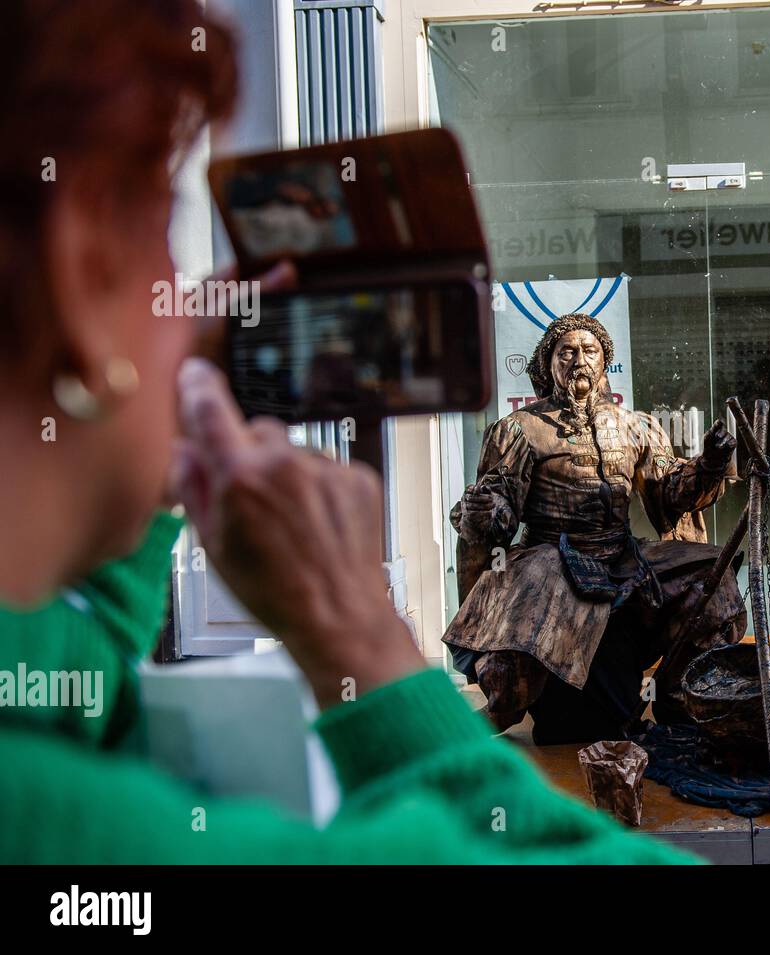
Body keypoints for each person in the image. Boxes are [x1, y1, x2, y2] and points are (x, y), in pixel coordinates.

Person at [0, 0, 691, 864]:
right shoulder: (90, 836)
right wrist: (357, 633)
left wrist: (113, 437)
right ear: (85, 259)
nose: (182, 297)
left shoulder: (31, 725)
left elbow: (56, 689)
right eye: (161, 249)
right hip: (557, 573)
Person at [444, 313, 746, 744]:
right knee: (537, 586)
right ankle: (505, 704)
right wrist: (482, 510)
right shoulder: (520, 429)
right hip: (549, 555)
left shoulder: (635, 426)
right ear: (548, 364)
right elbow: (500, 505)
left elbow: (671, 492)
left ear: (605, 363)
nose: (578, 360)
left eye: (589, 351)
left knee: (713, 579)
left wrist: (710, 464)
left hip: (620, 556)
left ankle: (679, 700)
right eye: (566, 352)